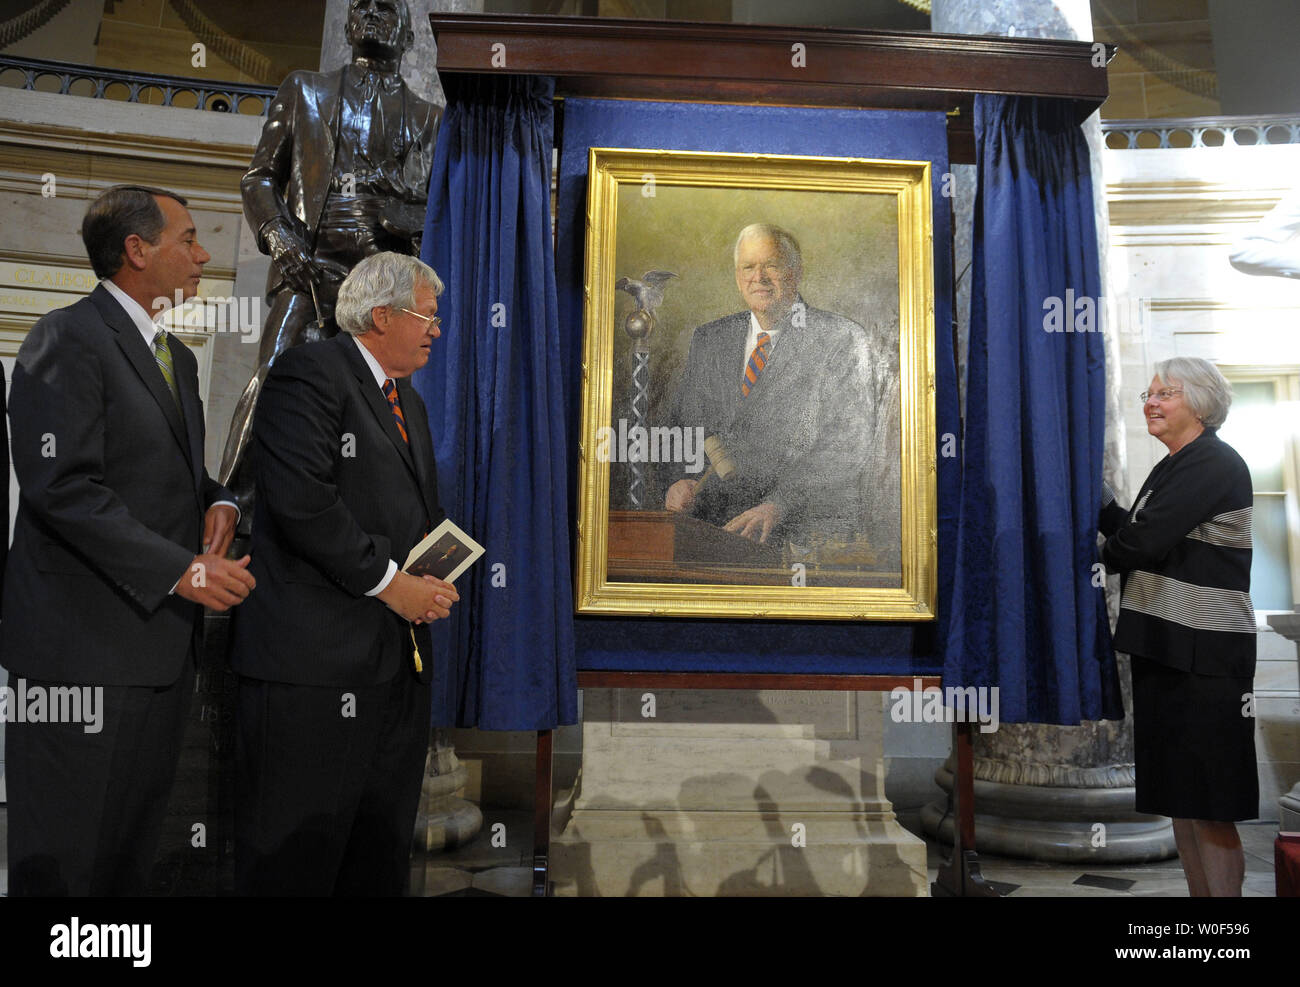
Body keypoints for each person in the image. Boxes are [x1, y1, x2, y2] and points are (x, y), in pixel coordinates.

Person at [2, 184, 256, 896]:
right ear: (136, 251)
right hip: (80, 660)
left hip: (157, 659)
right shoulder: (65, 337)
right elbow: (64, 488)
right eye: (189, 239)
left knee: (127, 861)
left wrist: (224, 502)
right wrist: (183, 570)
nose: (203, 254)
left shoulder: (176, 355)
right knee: (65, 863)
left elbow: (183, 475)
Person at [231, 251, 458, 896]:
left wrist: (436, 566)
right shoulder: (308, 373)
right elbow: (303, 501)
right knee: (295, 865)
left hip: (394, 667)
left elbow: (414, 511)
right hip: (313, 670)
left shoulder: (406, 400)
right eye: (427, 316)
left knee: (377, 858)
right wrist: (394, 585)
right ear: (381, 315)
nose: (436, 330)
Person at [219, 0, 441, 523]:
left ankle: (367, 520)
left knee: (381, 404)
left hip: (383, 289)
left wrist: (402, 216)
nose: (370, 15)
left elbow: (436, 208)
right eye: (361, 8)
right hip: (309, 270)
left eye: (385, 10)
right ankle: (234, 511)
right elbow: (258, 178)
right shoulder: (304, 90)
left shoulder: (430, 118)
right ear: (347, 25)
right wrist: (280, 239)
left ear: (409, 38)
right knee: (274, 375)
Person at [1099, 357, 1257, 896]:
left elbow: (1144, 542)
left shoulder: (1211, 461)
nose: (1151, 401)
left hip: (1206, 656)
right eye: (1149, 392)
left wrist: (1090, 556)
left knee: (1210, 806)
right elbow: (1143, 531)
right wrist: (1104, 510)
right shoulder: (1174, 464)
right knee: (1184, 806)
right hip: (1169, 649)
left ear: (1201, 402)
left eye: (1165, 393)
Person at [664, 223, 896, 555]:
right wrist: (678, 481)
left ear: (796, 272)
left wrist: (779, 504)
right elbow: (681, 425)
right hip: (707, 532)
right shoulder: (710, 339)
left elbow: (848, 445)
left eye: (770, 265)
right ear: (736, 275)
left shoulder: (841, 339)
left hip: (799, 537)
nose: (758, 277)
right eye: (748, 266)